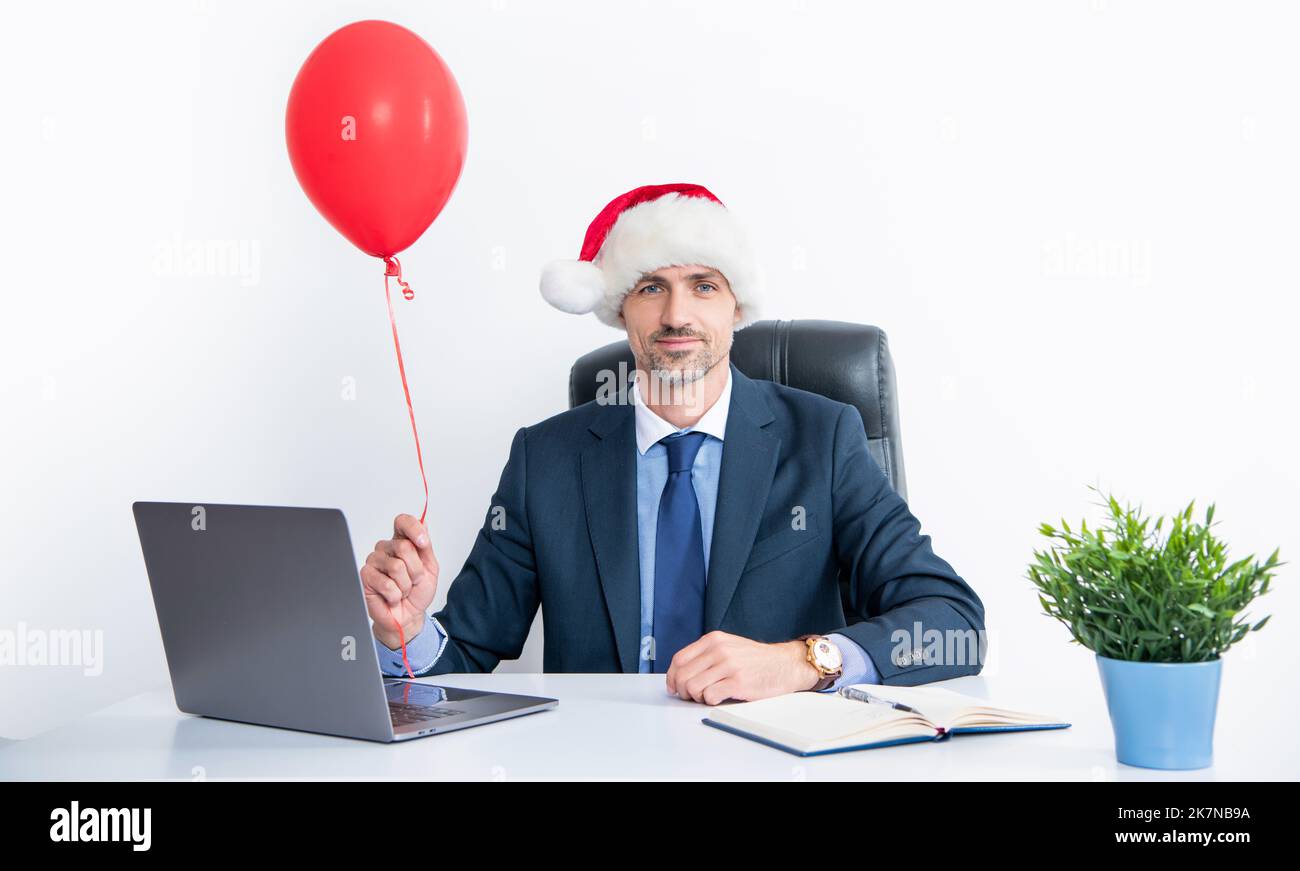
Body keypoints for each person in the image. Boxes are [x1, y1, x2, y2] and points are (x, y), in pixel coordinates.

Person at [363, 183, 984, 706]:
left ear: (737, 306)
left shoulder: (822, 439)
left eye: (704, 285)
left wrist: (802, 661)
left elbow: (954, 623)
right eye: (652, 287)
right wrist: (406, 632)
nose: (676, 315)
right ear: (620, 310)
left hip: (770, 763)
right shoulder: (545, 459)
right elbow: (462, 658)